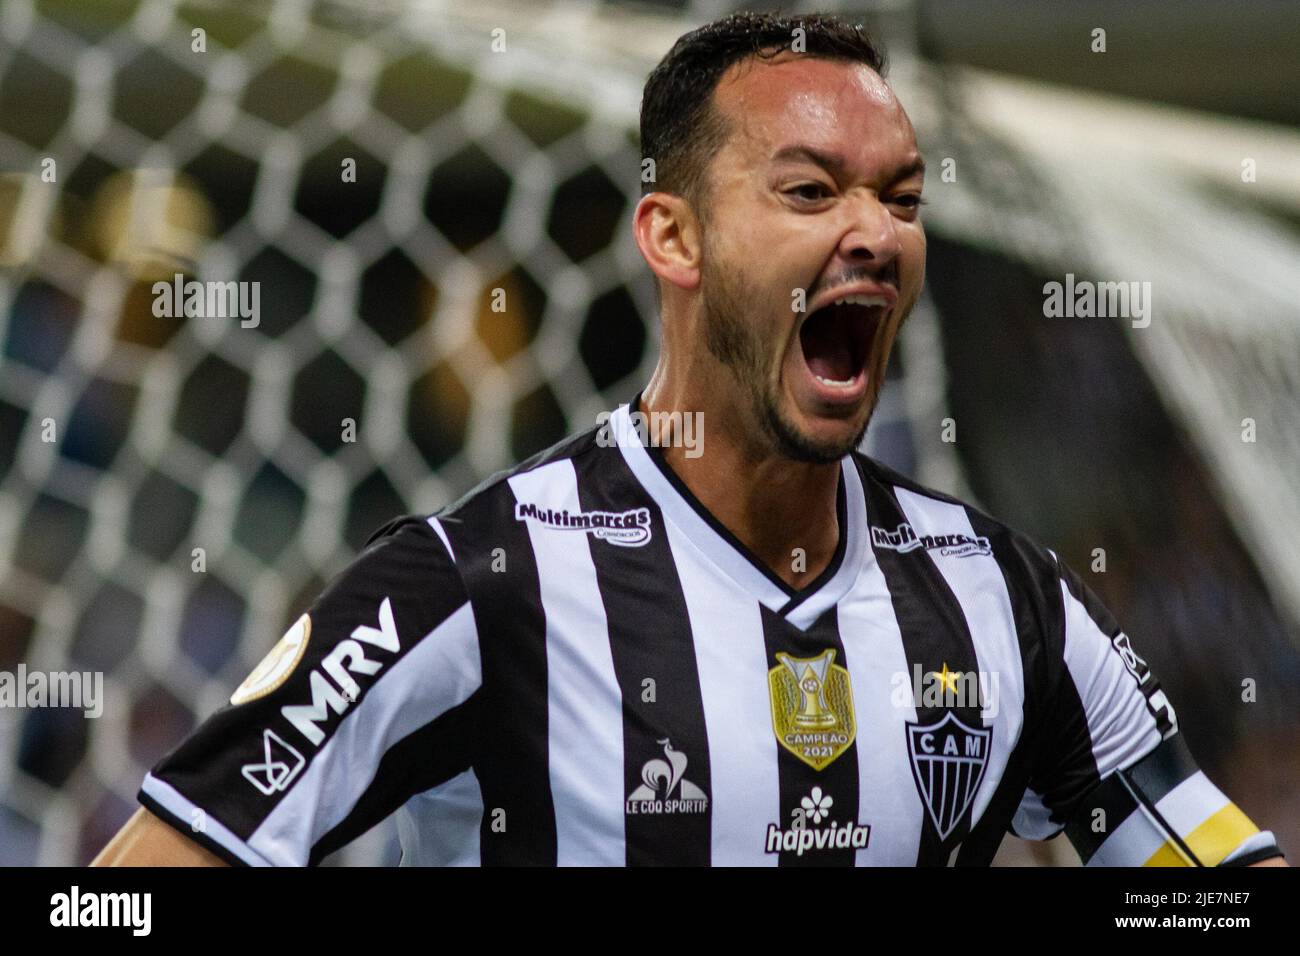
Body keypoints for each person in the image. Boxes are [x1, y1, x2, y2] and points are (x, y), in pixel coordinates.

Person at [94, 11, 1285, 867]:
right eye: (812, 193)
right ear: (673, 238)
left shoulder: (1001, 596)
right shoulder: (483, 583)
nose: (875, 231)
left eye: (903, 198)